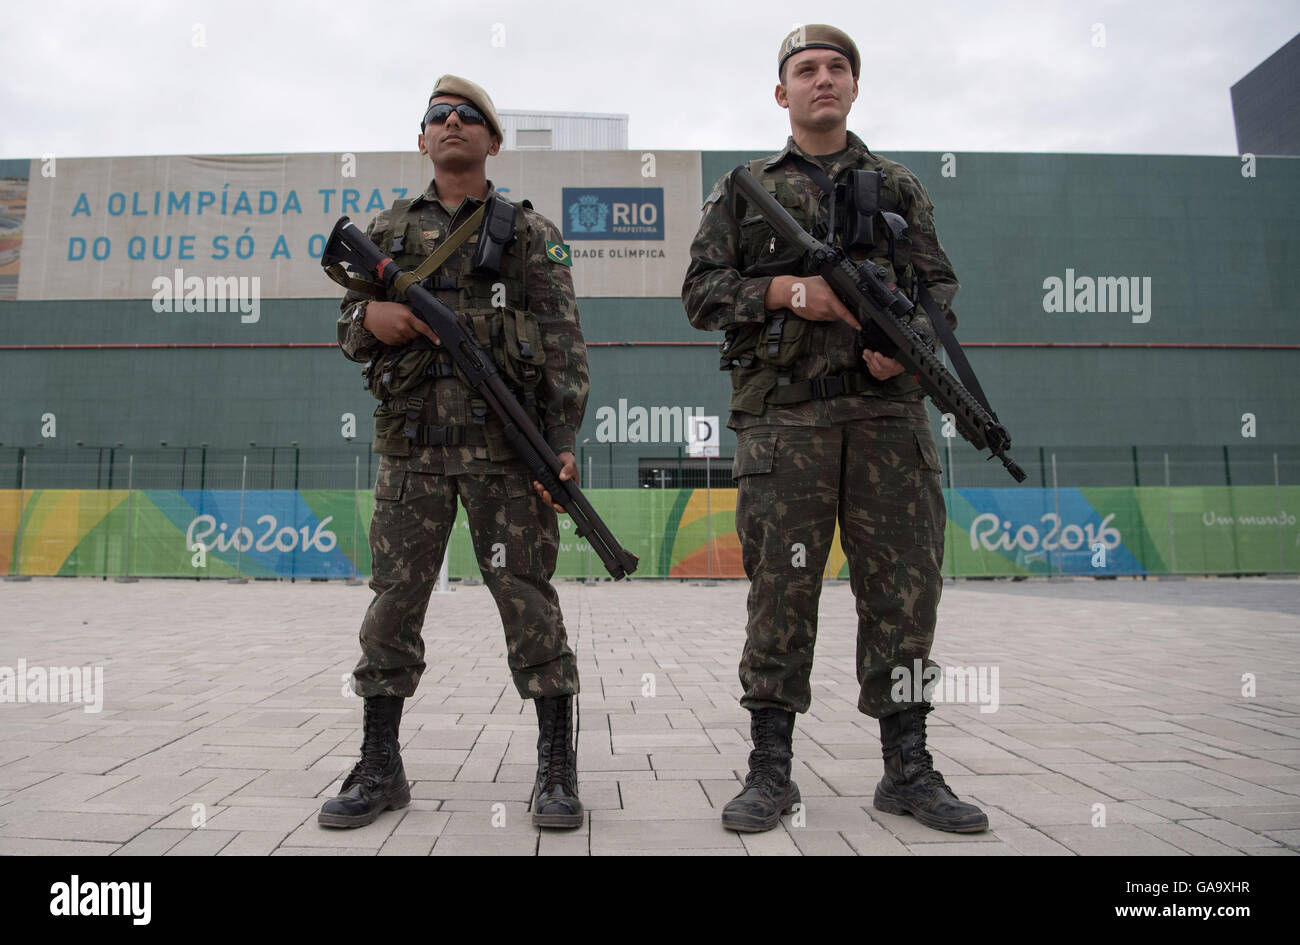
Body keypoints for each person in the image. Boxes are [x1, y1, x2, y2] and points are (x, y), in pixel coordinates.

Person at [682, 26, 988, 834]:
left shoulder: (899, 187)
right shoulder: (745, 189)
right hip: (786, 418)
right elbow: (701, 292)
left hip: (890, 418)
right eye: (805, 70)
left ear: (855, 87)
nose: (823, 79)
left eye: (837, 69)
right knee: (781, 594)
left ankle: (909, 766)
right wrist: (790, 293)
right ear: (781, 93)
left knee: (905, 593)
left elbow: (936, 286)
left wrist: (908, 349)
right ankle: (771, 767)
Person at [319, 75, 589, 831]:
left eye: (469, 116)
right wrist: (374, 315)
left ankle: (557, 767)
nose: (452, 123)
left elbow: (564, 347)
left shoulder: (528, 232)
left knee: (529, 602)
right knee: (393, 605)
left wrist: (560, 442)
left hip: (506, 456)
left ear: (493, 141)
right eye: (438, 116)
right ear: (422, 139)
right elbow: (347, 329)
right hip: (412, 453)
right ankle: (380, 764)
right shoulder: (389, 228)